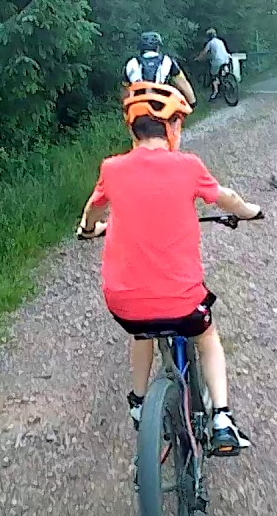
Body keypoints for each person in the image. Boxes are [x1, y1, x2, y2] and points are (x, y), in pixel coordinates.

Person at [76, 82, 257, 455]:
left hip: (124, 304)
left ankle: (140, 402)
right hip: (182, 303)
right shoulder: (188, 166)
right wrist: (249, 212)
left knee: (141, 332)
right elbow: (228, 199)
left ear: (132, 130)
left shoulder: (112, 169)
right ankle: (222, 418)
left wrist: (89, 230)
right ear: (173, 126)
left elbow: (93, 211)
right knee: (207, 338)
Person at [123, 30, 197, 106]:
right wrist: (192, 102)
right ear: (157, 47)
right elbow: (182, 83)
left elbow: (125, 91)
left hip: (137, 105)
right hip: (161, 104)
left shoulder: (131, 63)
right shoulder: (167, 61)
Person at [194, 28, 231, 100]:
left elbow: (204, 52)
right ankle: (225, 83)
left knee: (213, 76)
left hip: (217, 61)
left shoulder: (210, 43)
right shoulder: (220, 41)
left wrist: (198, 58)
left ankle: (215, 93)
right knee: (223, 73)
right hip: (226, 59)